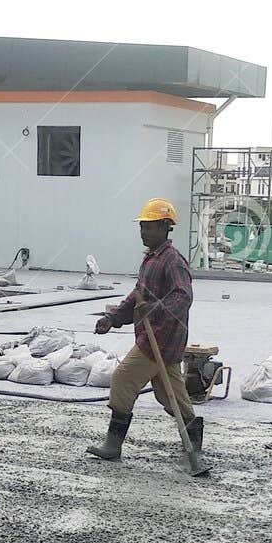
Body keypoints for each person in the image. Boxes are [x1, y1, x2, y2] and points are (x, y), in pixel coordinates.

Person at [86, 198, 199, 462]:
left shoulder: (173, 261)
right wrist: (113, 319)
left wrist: (155, 309)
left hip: (159, 339)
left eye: (148, 227)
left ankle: (113, 446)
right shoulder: (151, 259)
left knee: (123, 379)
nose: (143, 232)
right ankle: (194, 442)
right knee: (171, 395)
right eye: (142, 227)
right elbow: (139, 296)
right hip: (158, 339)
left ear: (164, 226)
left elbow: (183, 297)